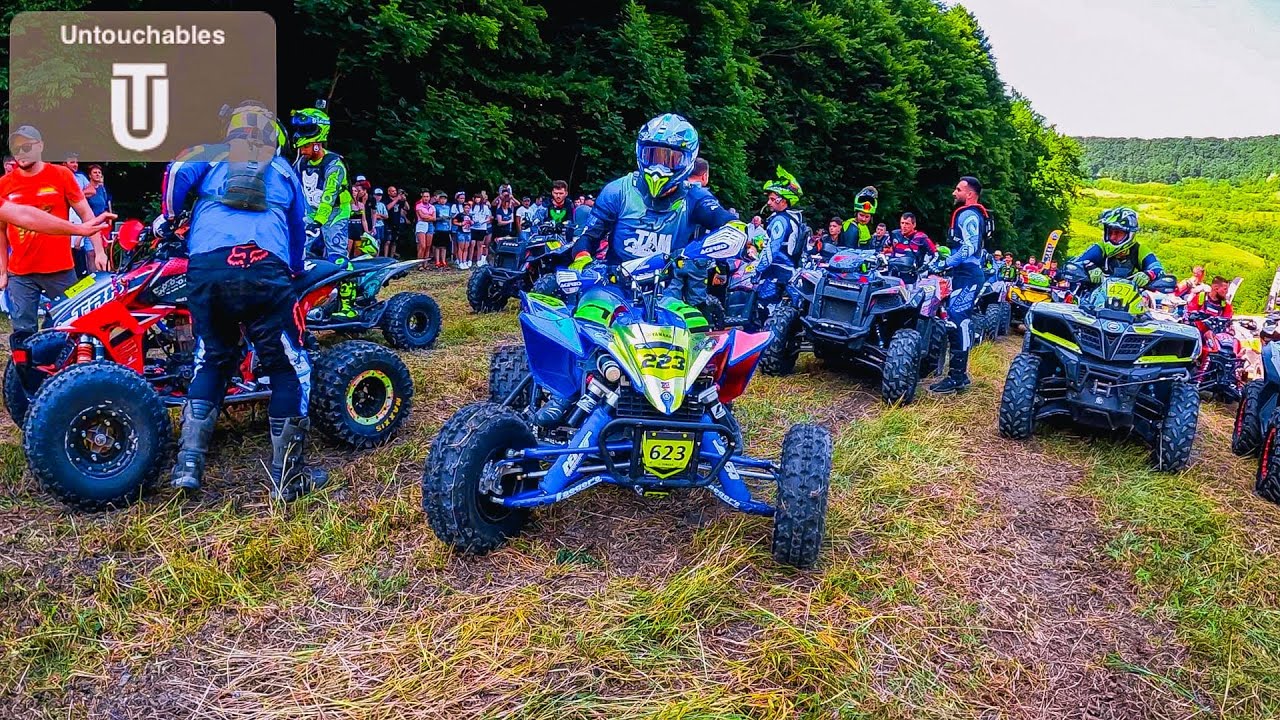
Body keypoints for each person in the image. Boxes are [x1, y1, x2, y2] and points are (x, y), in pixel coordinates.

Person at [161, 101, 325, 501]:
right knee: (288, 368)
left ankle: (188, 465)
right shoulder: (283, 169)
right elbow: (298, 228)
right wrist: (294, 268)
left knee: (211, 359)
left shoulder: (210, 154)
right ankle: (288, 480)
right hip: (264, 269)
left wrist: (171, 216)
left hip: (207, 268)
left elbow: (177, 172)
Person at [573, 114, 736, 267]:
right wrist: (582, 258)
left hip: (669, 284)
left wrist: (737, 229)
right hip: (615, 281)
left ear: (688, 159)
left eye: (671, 159)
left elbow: (721, 217)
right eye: (652, 156)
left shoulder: (694, 197)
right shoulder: (618, 191)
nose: (659, 166)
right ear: (640, 153)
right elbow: (589, 235)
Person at [0, 126, 111, 344]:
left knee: (68, 327)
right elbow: (2, 231)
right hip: (20, 272)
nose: (21, 153)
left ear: (41, 146)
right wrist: (3, 270)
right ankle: (27, 366)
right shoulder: (4, 184)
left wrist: (99, 251)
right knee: (23, 333)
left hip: (60, 269)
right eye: (16, 148)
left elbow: (87, 214)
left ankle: (57, 362)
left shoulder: (61, 175)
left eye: (26, 147)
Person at [290, 103, 356, 317]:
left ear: (317, 144)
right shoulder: (300, 163)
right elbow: (293, 189)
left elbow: (329, 196)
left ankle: (348, 306)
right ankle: (310, 301)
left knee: (337, 256)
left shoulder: (334, 163)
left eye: (306, 147)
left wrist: (318, 222)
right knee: (301, 255)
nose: (302, 151)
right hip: (311, 213)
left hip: (335, 214)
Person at [930, 176, 990, 394]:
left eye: (958, 189)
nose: (954, 193)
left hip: (968, 274)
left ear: (970, 194)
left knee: (958, 321)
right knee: (955, 319)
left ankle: (957, 377)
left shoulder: (968, 214)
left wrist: (946, 263)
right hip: (965, 273)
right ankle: (958, 375)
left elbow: (969, 248)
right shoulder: (974, 214)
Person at [1070, 207, 1163, 288]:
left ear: (1129, 234)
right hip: (1096, 296)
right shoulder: (1100, 247)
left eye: (1117, 232)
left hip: (1131, 297)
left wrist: (1149, 274)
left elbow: (1158, 269)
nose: (1112, 237)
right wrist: (1088, 266)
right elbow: (1073, 265)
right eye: (1110, 232)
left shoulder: (1140, 250)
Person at [755, 166, 808, 301]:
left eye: (772, 199)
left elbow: (772, 249)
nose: (768, 202)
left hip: (776, 273)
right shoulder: (793, 218)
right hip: (788, 272)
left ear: (783, 200)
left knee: (762, 306)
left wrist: (757, 270)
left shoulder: (780, 220)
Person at [85, 164, 113, 270]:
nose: (97, 174)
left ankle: (104, 274)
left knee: (104, 252)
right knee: (91, 253)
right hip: (91, 224)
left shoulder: (102, 189)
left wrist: (109, 220)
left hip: (103, 225)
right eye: (95, 172)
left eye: (99, 173)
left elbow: (106, 205)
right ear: (90, 175)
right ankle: (92, 274)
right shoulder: (87, 190)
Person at [469, 192, 492, 268]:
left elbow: (488, 218)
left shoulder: (485, 207)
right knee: (472, 244)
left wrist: (483, 221)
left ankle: (479, 260)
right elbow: (469, 216)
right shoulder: (472, 207)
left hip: (482, 227)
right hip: (473, 227)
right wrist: (472, 221)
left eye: (478, 198)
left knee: (480, 244)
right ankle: (470, 260)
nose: (477, 199)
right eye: (476, 198)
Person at [415, 189, 435, 266]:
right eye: (424, 196)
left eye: (427, 196)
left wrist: (427, 217)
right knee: (422, 246)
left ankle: (425, 264)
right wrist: (429, 216)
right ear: (422, 197)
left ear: (429, 197)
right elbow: (422, 216)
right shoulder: (418, 205)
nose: (426, 198)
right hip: (421, 225)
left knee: (428, 246)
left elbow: (434, 218)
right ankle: (419, 264)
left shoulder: (432, 207)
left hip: (430, 225)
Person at [432, 191, 451, 269]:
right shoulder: (435, 207)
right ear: (438, 200)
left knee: (444, 246)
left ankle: (443, 261)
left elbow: (450, 217)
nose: (443, 200)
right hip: (438, 228)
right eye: (441, 199)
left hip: (446, 228)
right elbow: (433, 218)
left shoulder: (448, 207)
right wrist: (440, 218)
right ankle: (437, 261)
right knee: (437, 246)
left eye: (444, 199)